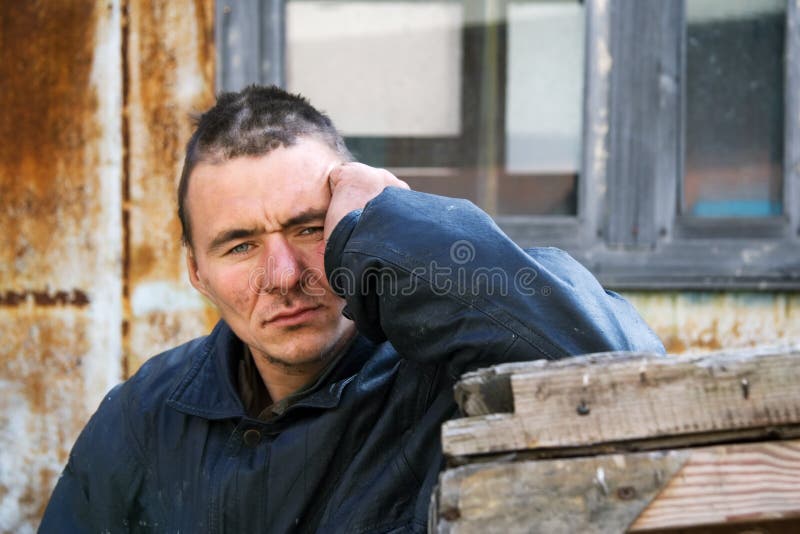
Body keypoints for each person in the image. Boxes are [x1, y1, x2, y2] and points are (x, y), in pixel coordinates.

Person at [40, 85, 664, 533]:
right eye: (240, 245)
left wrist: (398, 223)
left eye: (311, 229)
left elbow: (631, 380)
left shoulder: (448, 380)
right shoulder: (144, 420)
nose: (283, 278)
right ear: (196, 272)